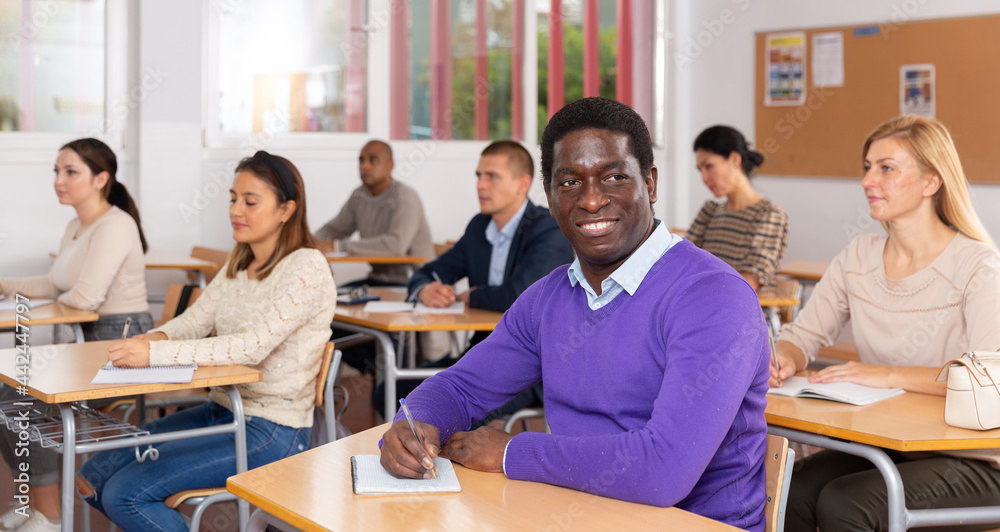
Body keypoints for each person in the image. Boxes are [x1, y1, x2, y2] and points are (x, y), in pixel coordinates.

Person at [380, 97, 770, 531]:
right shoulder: (548, 298)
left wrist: (512, 452)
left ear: (651, 184)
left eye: (615, 177)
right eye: (569, 183)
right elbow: (462, 388)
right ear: (549, 197)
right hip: (570, 514)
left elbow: (665, 470)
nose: (590, 200)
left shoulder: (714, 297)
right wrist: (413, 426)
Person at [75, 151, 336, 532]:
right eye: (232, 198)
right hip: (220, 408)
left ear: (286, 210)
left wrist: (154, 353)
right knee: (92, 476)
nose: (236, 210)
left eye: (250, 201)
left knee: (124, 495)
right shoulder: (239, 260)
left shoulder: (306, 266)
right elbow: (195, 322)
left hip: (272, 429)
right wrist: (156, 337)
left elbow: (252, 347)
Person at [771, 115, 1000, 532]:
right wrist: (783, 358)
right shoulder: (858, 256)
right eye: (867, 167)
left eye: (886, 168)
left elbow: (989, 379)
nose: (867, 181)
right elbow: (802, 335)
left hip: (978, 459)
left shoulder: (978, 265)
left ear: (931, 182)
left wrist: (887, 374)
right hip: (893, 445)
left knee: (846, 505)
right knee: (795, 489)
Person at [0, 137, 153, 532]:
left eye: (71, 172)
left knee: (21, 400)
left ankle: (50, 516)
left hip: (119, 343)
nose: (59, 180)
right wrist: (5, 285)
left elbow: (86, 296)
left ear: (101, 179)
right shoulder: (75, 224)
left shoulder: (117, 225)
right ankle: (30, 500)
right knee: (4, 393)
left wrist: (53, 302)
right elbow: (56, 285)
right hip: (81, 338)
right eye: (56, 171)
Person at [373, 140, 575, 420]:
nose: (480, 185)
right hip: (480, 355)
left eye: (492, 176)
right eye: (478, 176)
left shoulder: (548, 229)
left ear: (522, 184)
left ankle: (438, 458)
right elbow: (429, 271)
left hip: (529, 369)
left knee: (433, 409)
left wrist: (468, 295)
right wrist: (425, 289)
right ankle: (410, 459)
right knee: (389, 390)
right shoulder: (479, 227)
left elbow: (518, 295)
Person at [315, 139, 434, 286]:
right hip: (378, 280)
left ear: (390, 166)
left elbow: (396, 246)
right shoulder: (359, 196)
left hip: (414, 283)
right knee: (333, 298)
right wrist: (310, 242)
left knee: (339, 301)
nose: (365, 166)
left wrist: (340, 247)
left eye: (373, 160)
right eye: (361, 161)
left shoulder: (405, 197)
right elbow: (334, 229)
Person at [687, 125, 789, 291]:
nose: (704, 178)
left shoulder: (769, 215)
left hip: (736, 310)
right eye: (700, 170)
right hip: (701, 303)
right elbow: (681, 261)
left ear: (735, 160)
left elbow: (747, 283)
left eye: (709, 166)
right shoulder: (710, 211)